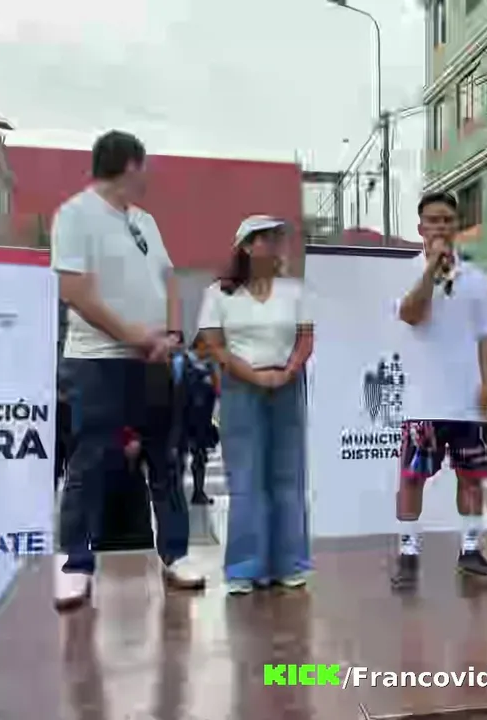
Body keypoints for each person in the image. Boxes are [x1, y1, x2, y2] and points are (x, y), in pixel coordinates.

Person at [51, 130, 204, 610]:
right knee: (90, 461)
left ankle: (175, 554)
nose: (148, 176)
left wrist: (172, 334)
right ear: (131, 165)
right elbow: (75, 291)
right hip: (97, 361)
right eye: (145, 166)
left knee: (165, 460)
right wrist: (134, 335)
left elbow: (168, 279)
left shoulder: (145, 221)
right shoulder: (75, 215)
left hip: (154, 361)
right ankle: (75, 566)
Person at [391, 191, 487, 591]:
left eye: (447, 220)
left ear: (457, 226)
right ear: (420, 227)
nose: (440, 227)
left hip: (467, 400)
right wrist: (430, 270)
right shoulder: (405, 271)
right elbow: (411, 314)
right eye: (433, 220)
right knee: (413, 479)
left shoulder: (476, 278)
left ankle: (470, 551)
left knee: (471, 478)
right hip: (423, 401)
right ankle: (407, 553)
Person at [200, 215, 313, 595]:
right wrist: (252, 375)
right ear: (246, 246)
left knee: (287, 474)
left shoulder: (294, 291)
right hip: (241, 387)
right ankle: (243, 568)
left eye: (277, 238)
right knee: (246, 477)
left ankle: (290, 563)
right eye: (266, 238)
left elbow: (305, 338)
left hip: (287, 385)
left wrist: (288, 370)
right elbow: (214, 345)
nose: (274, 244)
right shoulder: (220, 294)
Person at [174, 338, 219, 505]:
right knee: (179, 456)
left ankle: (198, 492)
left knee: (200, 456)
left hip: (202, 420)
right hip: (183, 418)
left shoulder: (208, 367)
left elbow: (216, 391)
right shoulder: (181, 362)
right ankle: (176, 494)